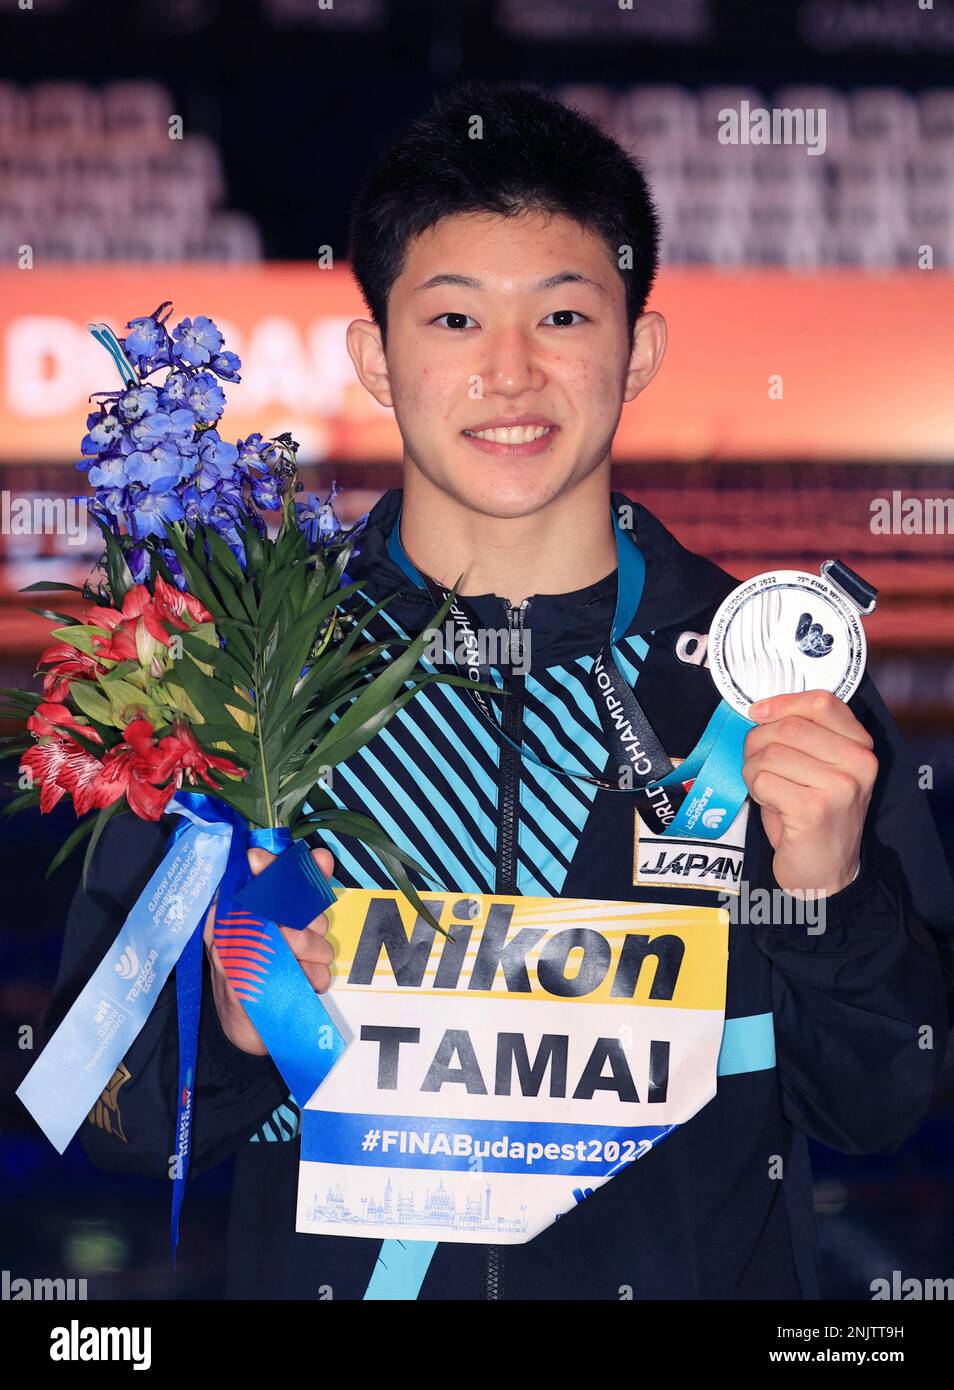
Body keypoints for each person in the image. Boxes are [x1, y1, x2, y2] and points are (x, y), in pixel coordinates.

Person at [48, 81, 953, 1300]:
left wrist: (832, 900)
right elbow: (97, 1106)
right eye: (456, 320)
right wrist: (237, 1026)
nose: (512, 374)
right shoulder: (242, 677)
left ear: (639, 349)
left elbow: (884, 1104)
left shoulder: (771, 681)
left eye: (566, 316)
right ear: (374, 355)